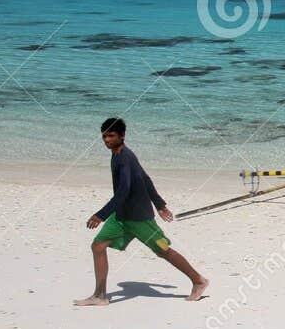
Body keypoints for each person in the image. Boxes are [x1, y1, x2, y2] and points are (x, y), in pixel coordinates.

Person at [75, 117, 209, 306]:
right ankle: (100, 295)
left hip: (139, 217)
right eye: (104, 137)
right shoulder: (118, 153)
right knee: (98, 246)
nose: (107, 140)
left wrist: (101, 215)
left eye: (111, 136)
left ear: (122, 135)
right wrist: (160, 204)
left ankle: (198, 281)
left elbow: (124, 191)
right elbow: (144, 178)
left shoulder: (125, 158)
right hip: (121, 216)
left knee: (164, 251)